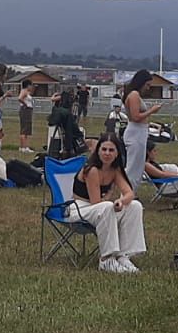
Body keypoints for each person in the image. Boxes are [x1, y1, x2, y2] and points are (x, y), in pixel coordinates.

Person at [70, 134, 146, 274]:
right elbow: (95, 202)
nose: (107, 153)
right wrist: (111, 199)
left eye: (111, 150)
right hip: (80, 209)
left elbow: (129, 193)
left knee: (135, 206)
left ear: (117, 153)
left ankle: (124, 256)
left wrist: (120, 201)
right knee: (106, 207)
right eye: (104, 149)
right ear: (98, 151)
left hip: (100, 210)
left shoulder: (115, 170)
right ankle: (106, 259)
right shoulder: (92, 170)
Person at [120, 70, 163, 187]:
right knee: (133, 168)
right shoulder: (134, 95)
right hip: (136, 132)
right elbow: (135, 117)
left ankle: (131, 192)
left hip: (139, 132)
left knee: (138, 167)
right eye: (147, 85)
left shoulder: (133, 94)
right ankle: (128, 192)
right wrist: (151, 111)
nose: (148, 88)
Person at [47, 90, 85, 159]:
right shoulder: (67, 111)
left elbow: (52, 99)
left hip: (66, 131)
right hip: (71, 134)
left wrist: (55, 94)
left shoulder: (58, 111)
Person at [16, 79, 35, 153]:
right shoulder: (24, 91)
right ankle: (24, 147)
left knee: (26, 129)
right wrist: (25, 104)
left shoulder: (27, 92)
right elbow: (20, 98)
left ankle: (24, 146)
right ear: (28, 85)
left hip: (28, 111)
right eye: (31, 85)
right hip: (25, 111)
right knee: (24, 129)